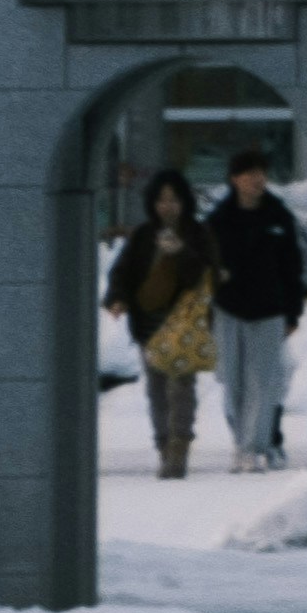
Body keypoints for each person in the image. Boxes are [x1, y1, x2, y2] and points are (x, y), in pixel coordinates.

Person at [203, 148, 307, 475]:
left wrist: (293, 313)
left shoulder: (279, 217)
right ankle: (242, 443)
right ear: (235, 179)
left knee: (263, 382)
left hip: (269, 309)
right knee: (232, 381)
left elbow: (293, 269)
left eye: (261, 173)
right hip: (228, 310)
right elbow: (204, 269)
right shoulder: (218, 220)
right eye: (249, 173)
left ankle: (253, 446)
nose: (257, 179)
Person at [106, 169, 217, 478]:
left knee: (182, 387)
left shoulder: (197, 233)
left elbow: (204, 274)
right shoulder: (143, 235)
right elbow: (122, 272)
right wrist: (117, 298)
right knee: (156, 389)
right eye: (161, 200)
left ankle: (179, 445)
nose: (167, 206)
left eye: (173, 199)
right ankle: (163, 445)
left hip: (185, 324)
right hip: (148, 326)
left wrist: (179, 252)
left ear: (185, 202)